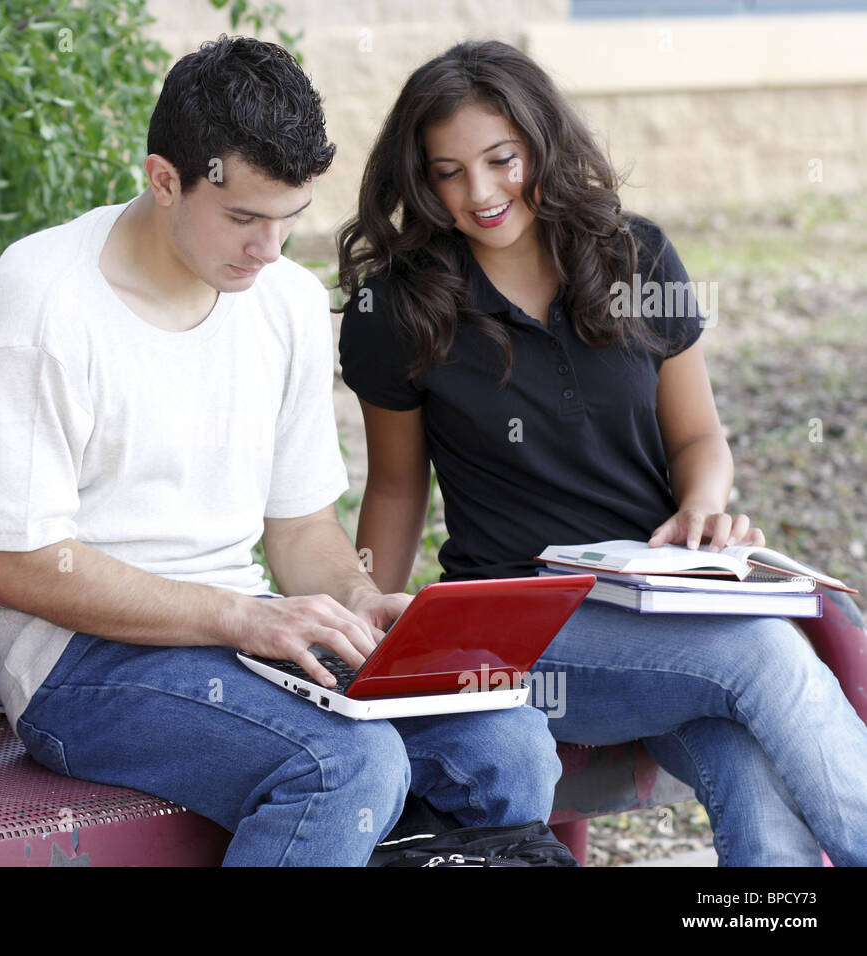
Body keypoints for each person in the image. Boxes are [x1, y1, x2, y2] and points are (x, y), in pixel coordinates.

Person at [0, 35, 563, 867]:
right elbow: (18, 567)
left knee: (512, 744)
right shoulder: (40, 302)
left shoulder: (285, 301)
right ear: (164, 180)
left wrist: (354, 602)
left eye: (288, 220)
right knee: (344, 763)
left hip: (246, 636)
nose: (269, 250)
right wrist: (246, 615)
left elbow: (301, 530)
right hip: (76, 668)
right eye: (242, 218)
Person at [337, 39, 867, 865]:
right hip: (524, 629)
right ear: (420, 178)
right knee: (763, 655)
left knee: (752, 767)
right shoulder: (402, 307)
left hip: (667, 607)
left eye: (501, 159)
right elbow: (398, 487)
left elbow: (698, 437)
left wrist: (703, 505)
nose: (478, 192)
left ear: (543, 142)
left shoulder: (635, 256)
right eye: (446, 171)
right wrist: (364, 616)